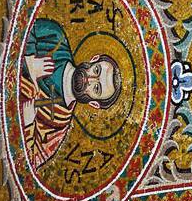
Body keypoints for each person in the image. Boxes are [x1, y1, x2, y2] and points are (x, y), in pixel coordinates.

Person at [20, 19, 122, 166]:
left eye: (96, 88)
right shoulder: (55, 38)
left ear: (93, 103)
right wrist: (28, 63)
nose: (90, 79)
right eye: (96, 70)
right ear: (93, 59)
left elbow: (30, 161)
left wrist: (28, 124)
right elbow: (23, 24)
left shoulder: (58, 126)